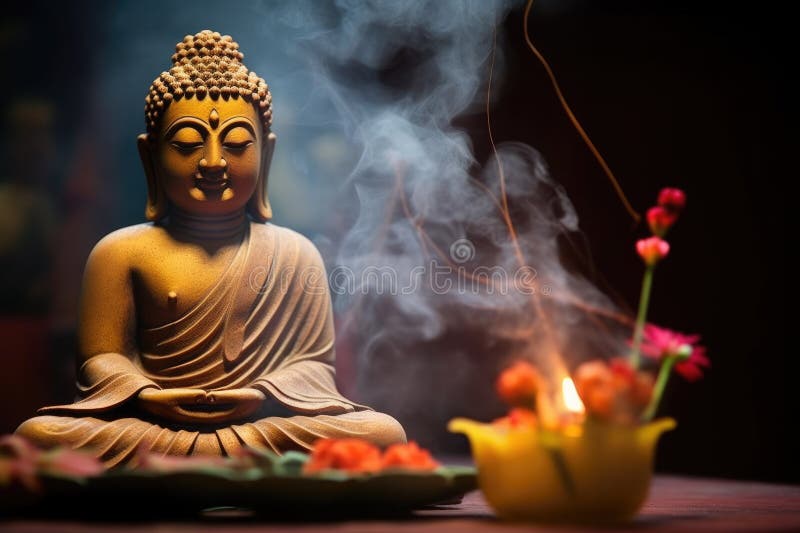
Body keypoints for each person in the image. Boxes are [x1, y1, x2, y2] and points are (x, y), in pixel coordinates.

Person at [16, 30, 405, 467]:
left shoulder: (297, 255)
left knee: (383, 433)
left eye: (238, 144)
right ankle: (231, 461)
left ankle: (192, 462)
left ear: (267, 155)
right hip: (153, 425)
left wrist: (259, 395)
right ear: (150, 157)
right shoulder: (120, 252)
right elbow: (101, 360)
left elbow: (315, 369)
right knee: (41, 435)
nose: (215, 161)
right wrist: (147, 394)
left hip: (258, 424)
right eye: (187, 144)